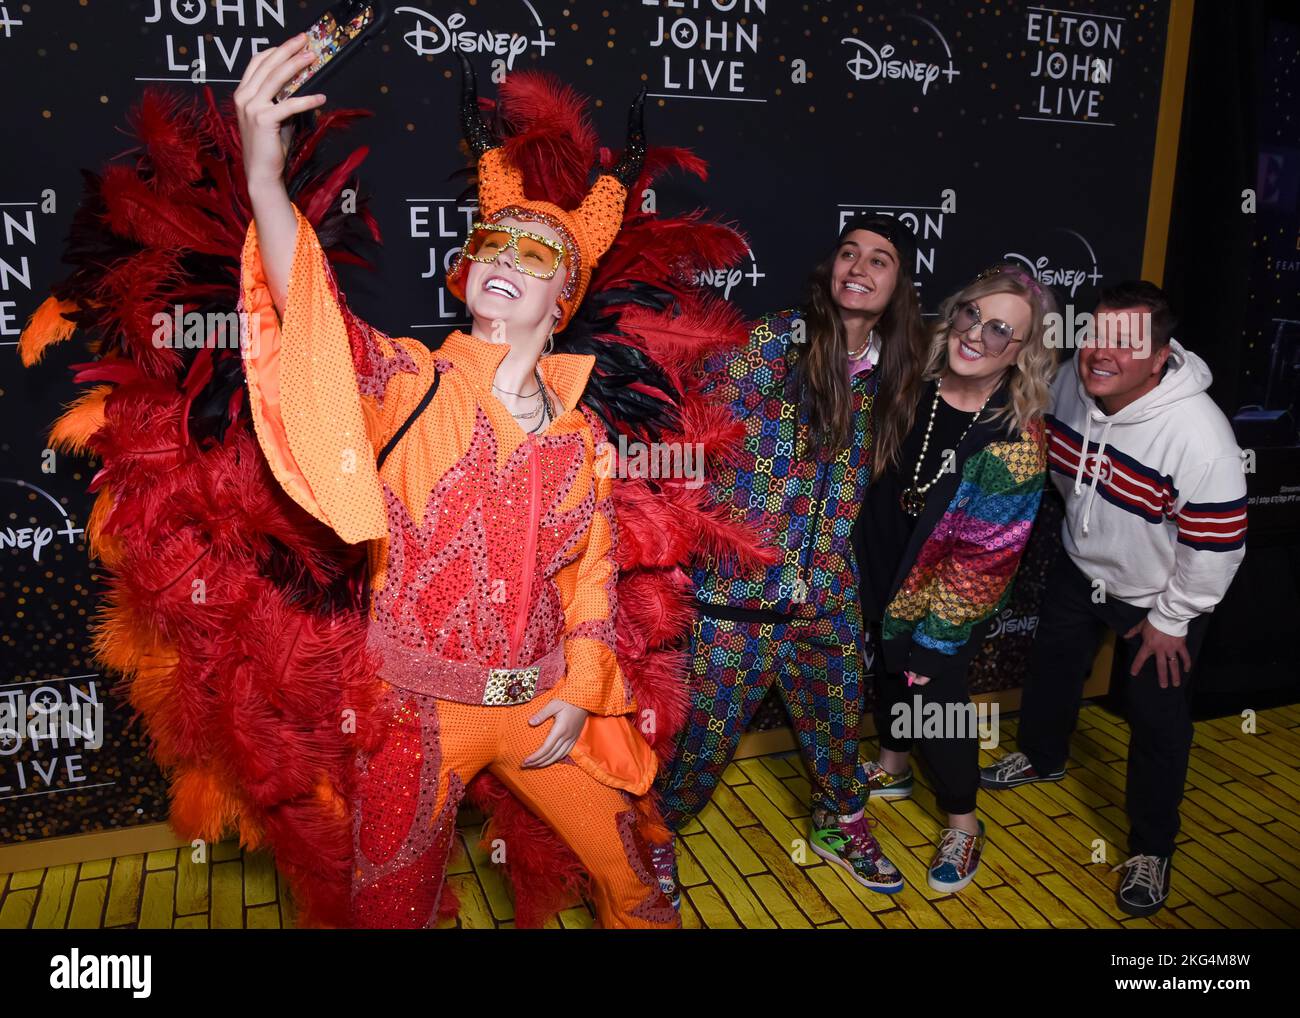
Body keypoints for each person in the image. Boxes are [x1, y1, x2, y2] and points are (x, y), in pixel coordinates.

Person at [235, 36, 680, 927]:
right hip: (414, 715)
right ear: (468, 272)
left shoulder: (585, 438)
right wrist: (263, 182)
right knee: (390, 909)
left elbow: (591, 581)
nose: (509, 258)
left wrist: (581, 691)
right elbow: (310, 305)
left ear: (564, 303)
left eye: (537, 254)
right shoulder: (406, 380)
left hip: (544, 711)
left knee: (636, 881)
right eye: (494, 244)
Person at [653, 214, 929, 896]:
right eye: (848, 253)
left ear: (899, 285)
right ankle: (650, 837)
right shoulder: (779, 339)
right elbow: (700, 424)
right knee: (699, 747)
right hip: (740, 596)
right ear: (830, 268)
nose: (859, 267)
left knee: (838, 733)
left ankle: (840, 822)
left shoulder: (896, 371)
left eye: (880, 260)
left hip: (829, 598)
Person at [980, 280, 1247, 917]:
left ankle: (1152, 848)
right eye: (1096, 333)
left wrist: (1173, 619)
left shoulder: (1201, 438)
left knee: (1157, 723)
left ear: (1161, 357)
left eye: (1126, 343)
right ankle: (1043, 757)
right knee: (1053, 668)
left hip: (1159, 597)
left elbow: (1219, 545)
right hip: (1082, 566)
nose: (1102, 352)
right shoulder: (1075, 379)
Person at [855, 263, 1058, 893]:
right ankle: (892, 764)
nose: (977, 335)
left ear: (1025, 353)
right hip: (878, 564)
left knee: (932, 700)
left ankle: (964, 823)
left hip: (944, 597)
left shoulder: (1015, 440)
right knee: (887, 673)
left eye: (1002, 331)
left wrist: (935, 642)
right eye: (972, 314)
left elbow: (982, 565)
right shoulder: (909, 381)